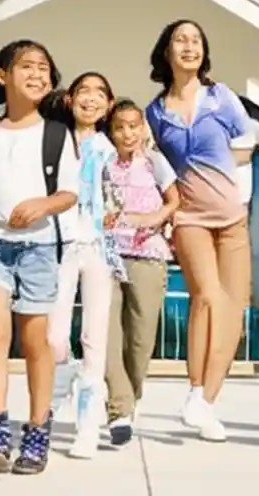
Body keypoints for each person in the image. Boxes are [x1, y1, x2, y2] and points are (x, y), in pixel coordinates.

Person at [0, 39, 79, 475]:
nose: (37, 74)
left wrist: (41, 205)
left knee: (34, 342)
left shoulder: (56, 133)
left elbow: (69, 192)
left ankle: (37, 428)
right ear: (2, 75)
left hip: (40, 247)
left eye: (44, 68)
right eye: (26, 65)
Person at [145, 19, 253, 442]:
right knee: (206, 298)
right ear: (166, 52)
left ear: (203, 52)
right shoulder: (156, 111)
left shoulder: (221, 97)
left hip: (232, 218)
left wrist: (225, 163)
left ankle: (206, 402)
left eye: (196, 41)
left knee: (233, 311)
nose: (189, 47)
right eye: (180, 41)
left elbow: (247, 142)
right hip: (188, 217)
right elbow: (153, 161)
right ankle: (194, 388)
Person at [45, 71, 123, 459]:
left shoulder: (112, 148)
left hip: (98, 248)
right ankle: (56, 393)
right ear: (69, 99)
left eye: (99, 93)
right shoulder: (52, 139)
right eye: (83, 91)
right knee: (54, 337)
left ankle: (87, 427)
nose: (90, 99)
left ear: (108, 104)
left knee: (94, 339)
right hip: (58, 244)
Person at [103, 99, 179, 446]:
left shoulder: (154, 162)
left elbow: (174, 199)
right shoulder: (102, 162)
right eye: (120, 126)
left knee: (140, 338)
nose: (127, 133)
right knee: (106, 336)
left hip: (148, 254)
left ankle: (131, 398)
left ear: (143, 128)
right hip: (107, 254)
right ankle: (119, 410)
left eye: (134, 125)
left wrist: (154, 218)